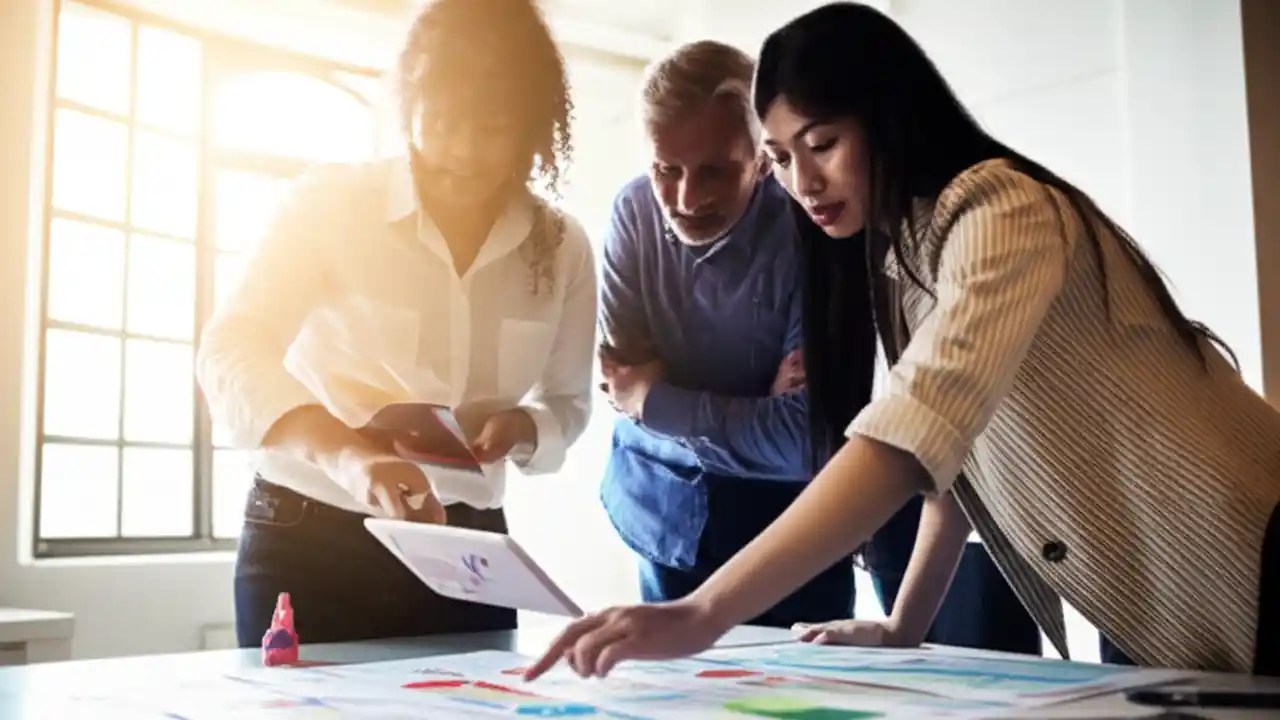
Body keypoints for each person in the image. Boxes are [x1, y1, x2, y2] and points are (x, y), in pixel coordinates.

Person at [526, 1, 1280, 679]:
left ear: (885, 115)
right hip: (1147, 577)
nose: (803, 182)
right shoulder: (903, 256)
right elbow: (956, 464)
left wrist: (703, 613)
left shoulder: (999, 208)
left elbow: (911, 437)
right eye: (784, 158)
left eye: (821, 143)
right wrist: (903, 625)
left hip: (1242, 540)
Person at [196, 0, 596, 647]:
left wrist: (525, 427)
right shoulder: (328, 203)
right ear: (408, 103)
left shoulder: (560, 247)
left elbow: (570, 402)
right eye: (441, 122)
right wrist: (350, 455)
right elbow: (231, 348)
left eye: (492, 128)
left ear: (531, 126)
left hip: (469, 545)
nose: (462, 152)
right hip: (311, 528)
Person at [596, 40, 853, 629]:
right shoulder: (633, 212)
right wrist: (753, 410)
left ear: (763, 159)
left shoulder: (809, 228)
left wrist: (658, 402)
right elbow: (621, 385)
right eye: (666, 170)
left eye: (715, 170)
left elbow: (802, 440)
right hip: (663, 512)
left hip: (793, 526)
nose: (686, 199)